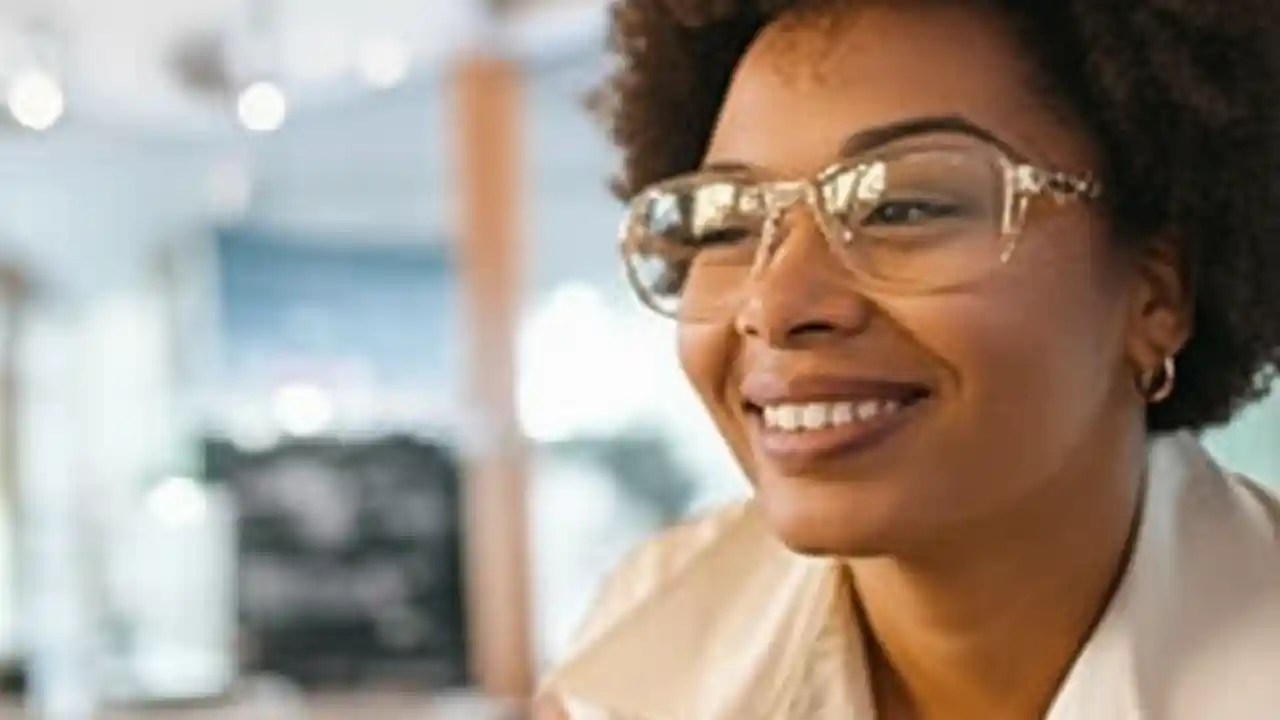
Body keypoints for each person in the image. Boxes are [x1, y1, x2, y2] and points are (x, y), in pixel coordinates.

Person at [538, 0, 1280, 717]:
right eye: (729, 223)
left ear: (1159, 295)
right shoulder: (634, 659)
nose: (776, 304)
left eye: (905, 207)